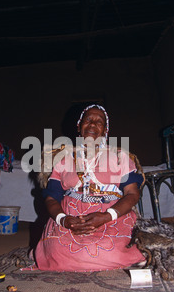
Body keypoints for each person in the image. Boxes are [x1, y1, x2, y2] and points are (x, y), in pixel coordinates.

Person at [34, 104, 145, 272]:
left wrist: (107, 216)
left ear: (105, 130)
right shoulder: (63, 160)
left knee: (110, 249)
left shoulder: (120, 157)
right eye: (88, 120)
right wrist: (63, 219)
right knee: (57, 249)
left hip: (113, 216)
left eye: (99, 122)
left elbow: (132, 194)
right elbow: (51, 197)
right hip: (70, 216)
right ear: (79, 126)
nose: (93, 124)